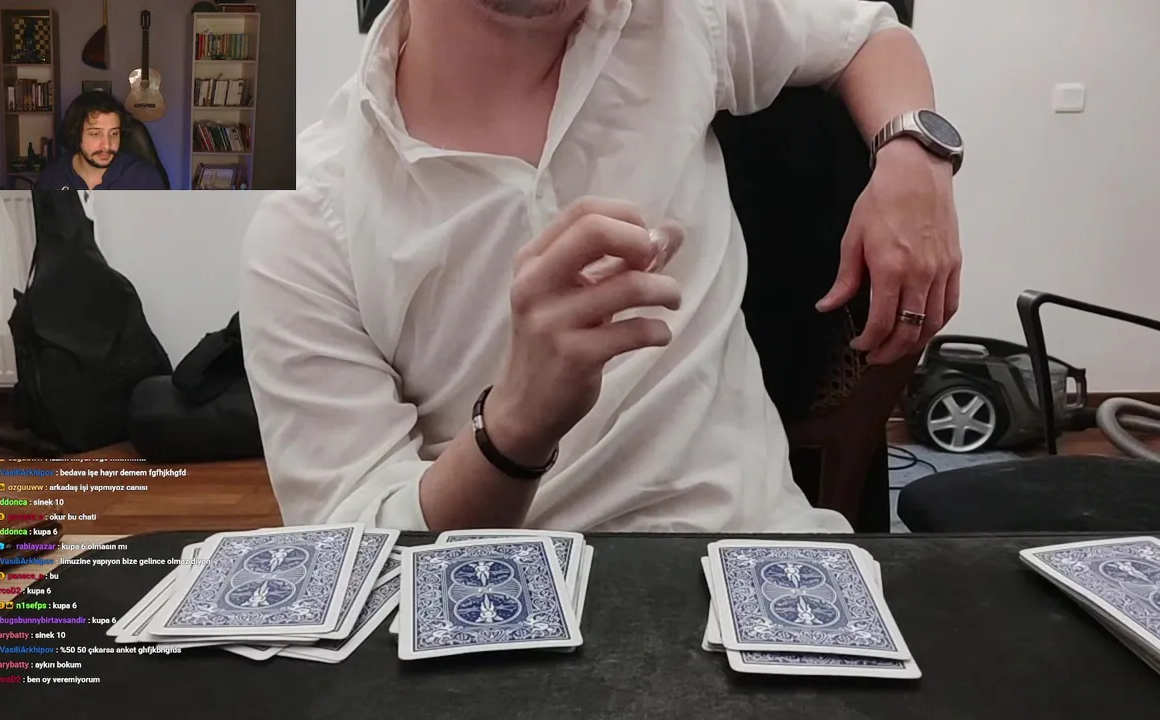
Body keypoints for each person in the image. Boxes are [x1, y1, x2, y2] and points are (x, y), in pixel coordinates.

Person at [239, 0, 964, 534]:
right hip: (499, 610)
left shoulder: (676, 20)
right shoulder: (309, 223)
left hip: (754, 554)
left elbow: (867, 34)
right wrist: (515, 426)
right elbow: (358, 548)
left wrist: (915, 154)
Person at [36, 92, 167, 190]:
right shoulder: (51, 180)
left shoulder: (145, 178)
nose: (107, 145)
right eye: (95, 134)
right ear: (76, 134)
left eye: (114, 133)